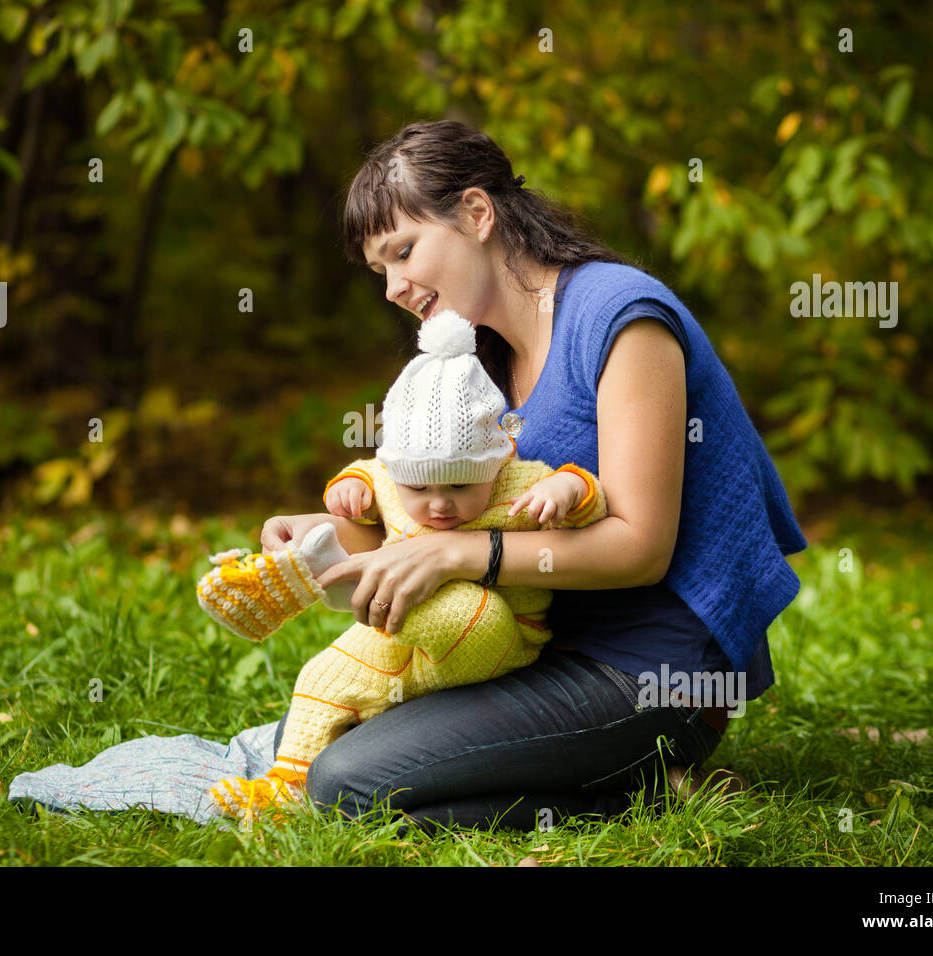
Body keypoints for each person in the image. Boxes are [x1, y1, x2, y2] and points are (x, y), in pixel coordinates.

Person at [256, 120, 807, 832]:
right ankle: (615, 781)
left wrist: (464, 555)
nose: (393, 287)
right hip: (530, 650)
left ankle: (656, 785)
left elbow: (641, 547)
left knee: (345, 785)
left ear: (478, 214)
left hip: (650, 677)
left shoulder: (618, 317)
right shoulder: (476, 364)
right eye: (378, 271)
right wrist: (328, 537)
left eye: (403, 251)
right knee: (316, 737)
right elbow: (444, 519)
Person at [197, 310, 607, 820]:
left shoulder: (519, 486)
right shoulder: (389, 479)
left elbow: (594, 503)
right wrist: (350, 488)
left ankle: (325, 583)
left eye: (459, 486)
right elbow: (366, 476)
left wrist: (568, 489)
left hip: (494, 640)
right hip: (399, 641)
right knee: (322, 676)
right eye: (420, 488)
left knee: (465, 605)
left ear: (497, 464)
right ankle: (286, 789)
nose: (439, 505)